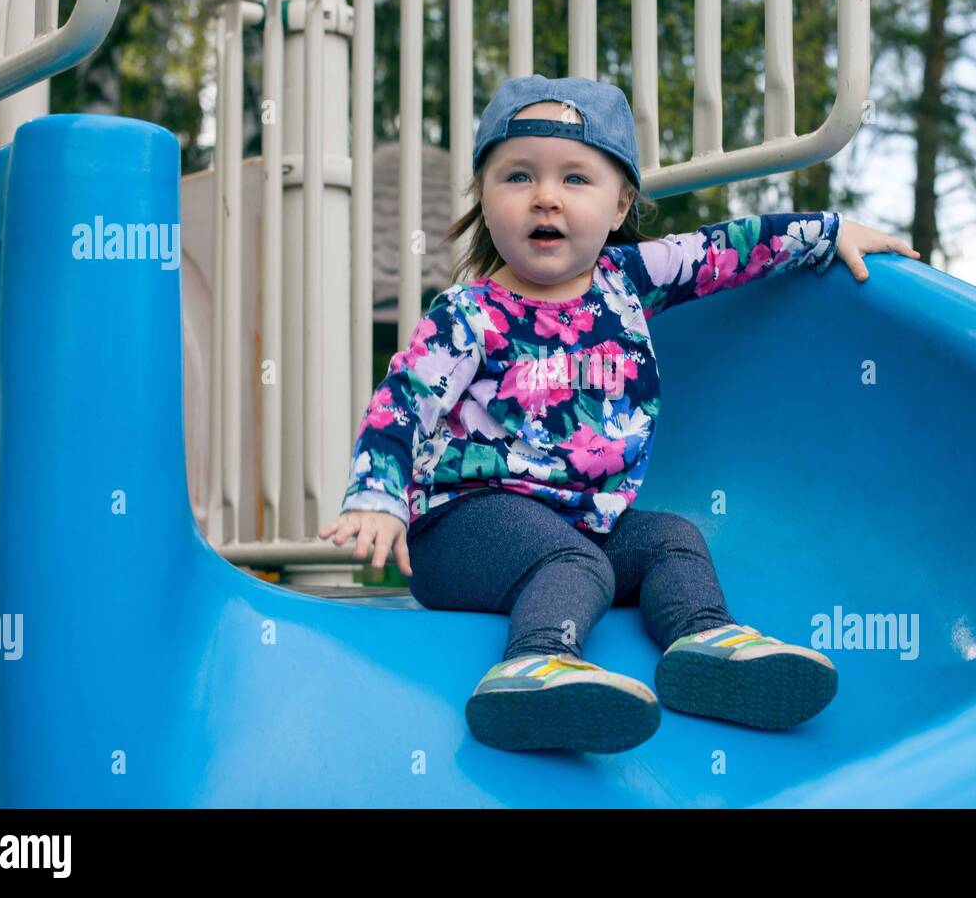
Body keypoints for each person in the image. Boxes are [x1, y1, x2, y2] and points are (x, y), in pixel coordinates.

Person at [319, 74, 919, 753]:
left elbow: (727, 249)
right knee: (577, 566)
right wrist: (377, 495)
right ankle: (535, 667)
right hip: (461, 530)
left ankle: (703, 644)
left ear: (619, 203)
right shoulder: (469, 315)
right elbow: (404, 402)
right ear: (485, 201)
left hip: (582, 521)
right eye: (517, 177)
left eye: (576, 179)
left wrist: (828, 231)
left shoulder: (627, 281)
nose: (545, 196)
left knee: (672, 537)